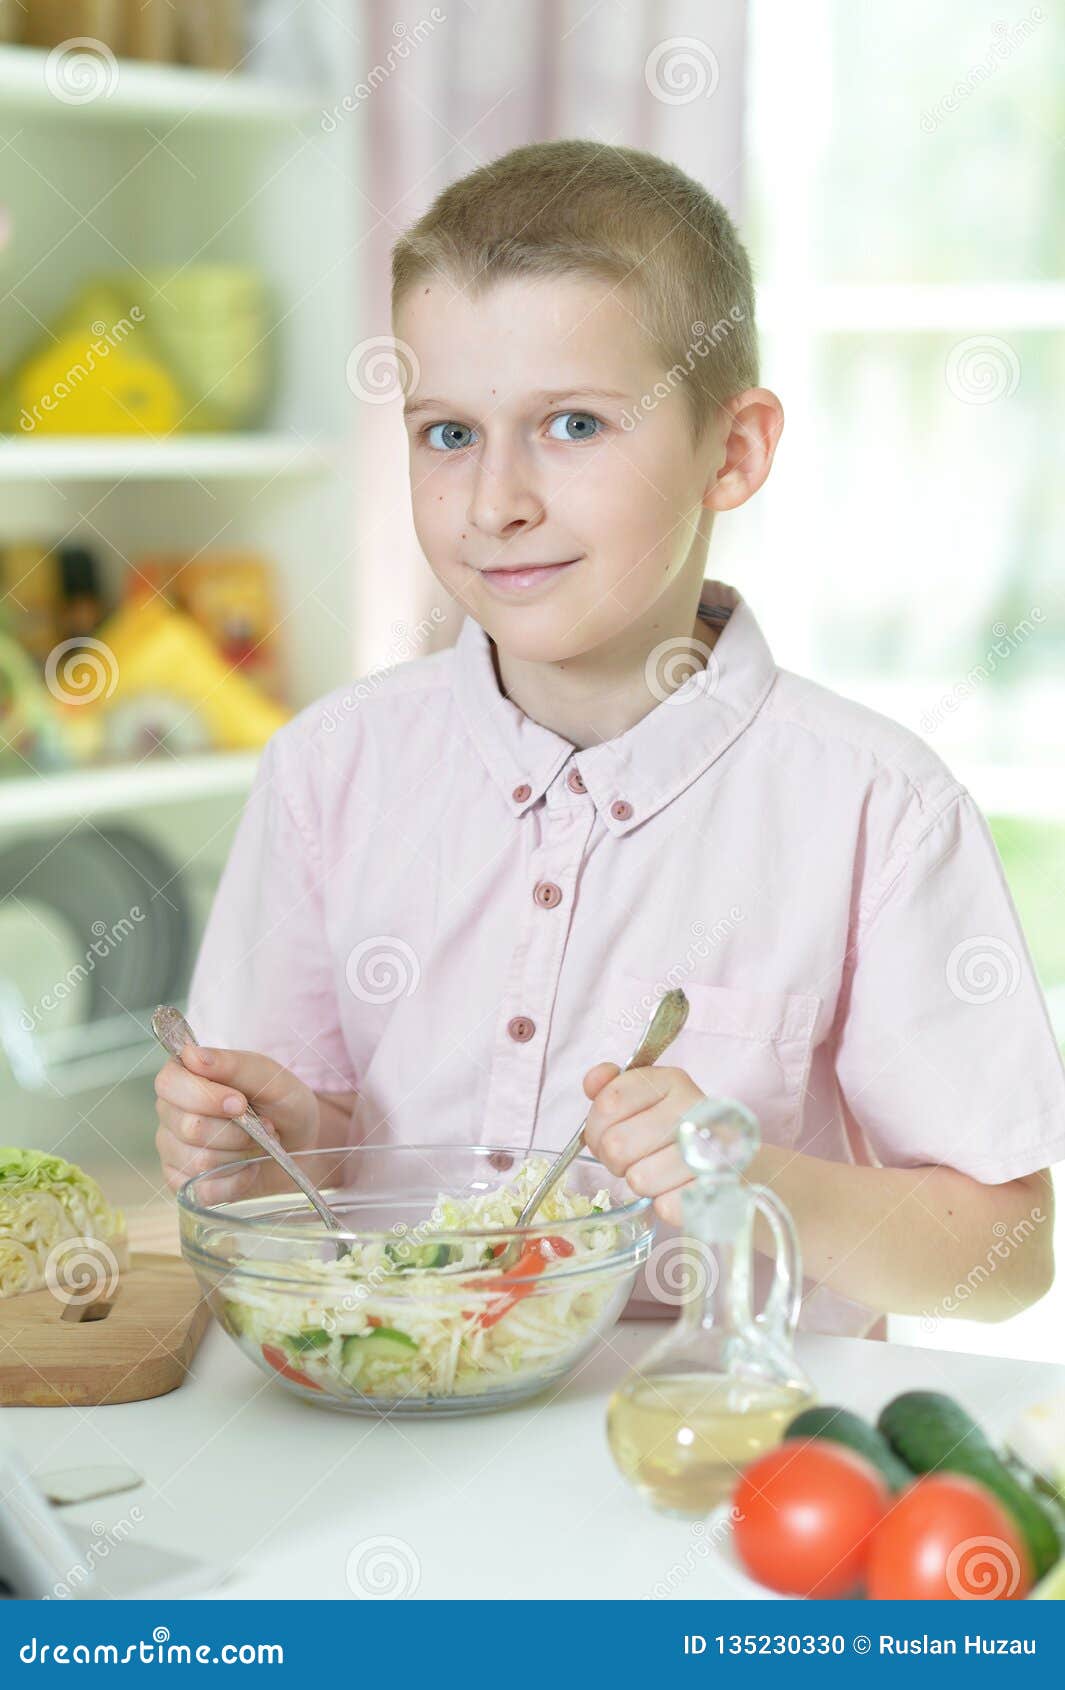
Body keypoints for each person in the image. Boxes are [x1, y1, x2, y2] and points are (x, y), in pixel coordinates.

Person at [155, 140, 1064, 1340]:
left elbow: (1002, 1257)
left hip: (722, 1466)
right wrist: (279, 1142)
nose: (495, 502)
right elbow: (283, 1195)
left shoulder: (877, 807)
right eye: (448, 434)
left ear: (731, 452)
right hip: (396, 1433)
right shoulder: (329, 771)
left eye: (573, 424)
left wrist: (758, 1181)